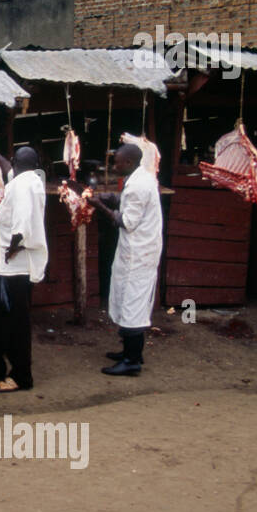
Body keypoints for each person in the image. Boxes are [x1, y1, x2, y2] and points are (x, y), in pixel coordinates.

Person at [0, 141, 48, 392]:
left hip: (16, 267)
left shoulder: (24, 187)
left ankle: (22, 377)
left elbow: (23, 222)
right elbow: (7, 168)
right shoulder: (27, 178)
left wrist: (13, 247)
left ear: (17, 163)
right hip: (7, 266)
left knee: (16, 323)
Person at [92, 142, 164, 376]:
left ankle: (132, 361)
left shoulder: (138, 185)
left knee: (133, 302)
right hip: (136, 250)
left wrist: (99, 205)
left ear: (130, 163)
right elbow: (128, 202)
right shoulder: (140, 177)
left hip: (139, 253)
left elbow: (126, 221)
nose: (114, 165)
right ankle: (130, 352)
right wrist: (112, 197)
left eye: (117, 162)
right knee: (127, 297)